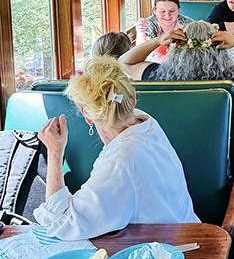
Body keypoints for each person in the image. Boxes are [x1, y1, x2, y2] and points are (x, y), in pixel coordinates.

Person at [33, 55, 199, 240]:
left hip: (168, 254)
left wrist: (55, 152)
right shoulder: (146, 122)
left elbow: (62, 223)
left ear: (86, 116)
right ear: (133, 100)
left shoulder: (121, 161)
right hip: (186, 231)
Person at [119, 20, 234, 133]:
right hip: (226, 139)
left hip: (174, 141)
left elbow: (125, 61)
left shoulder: (158, 77)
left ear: (176, 48)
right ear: (219, 48)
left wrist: (158, 41)